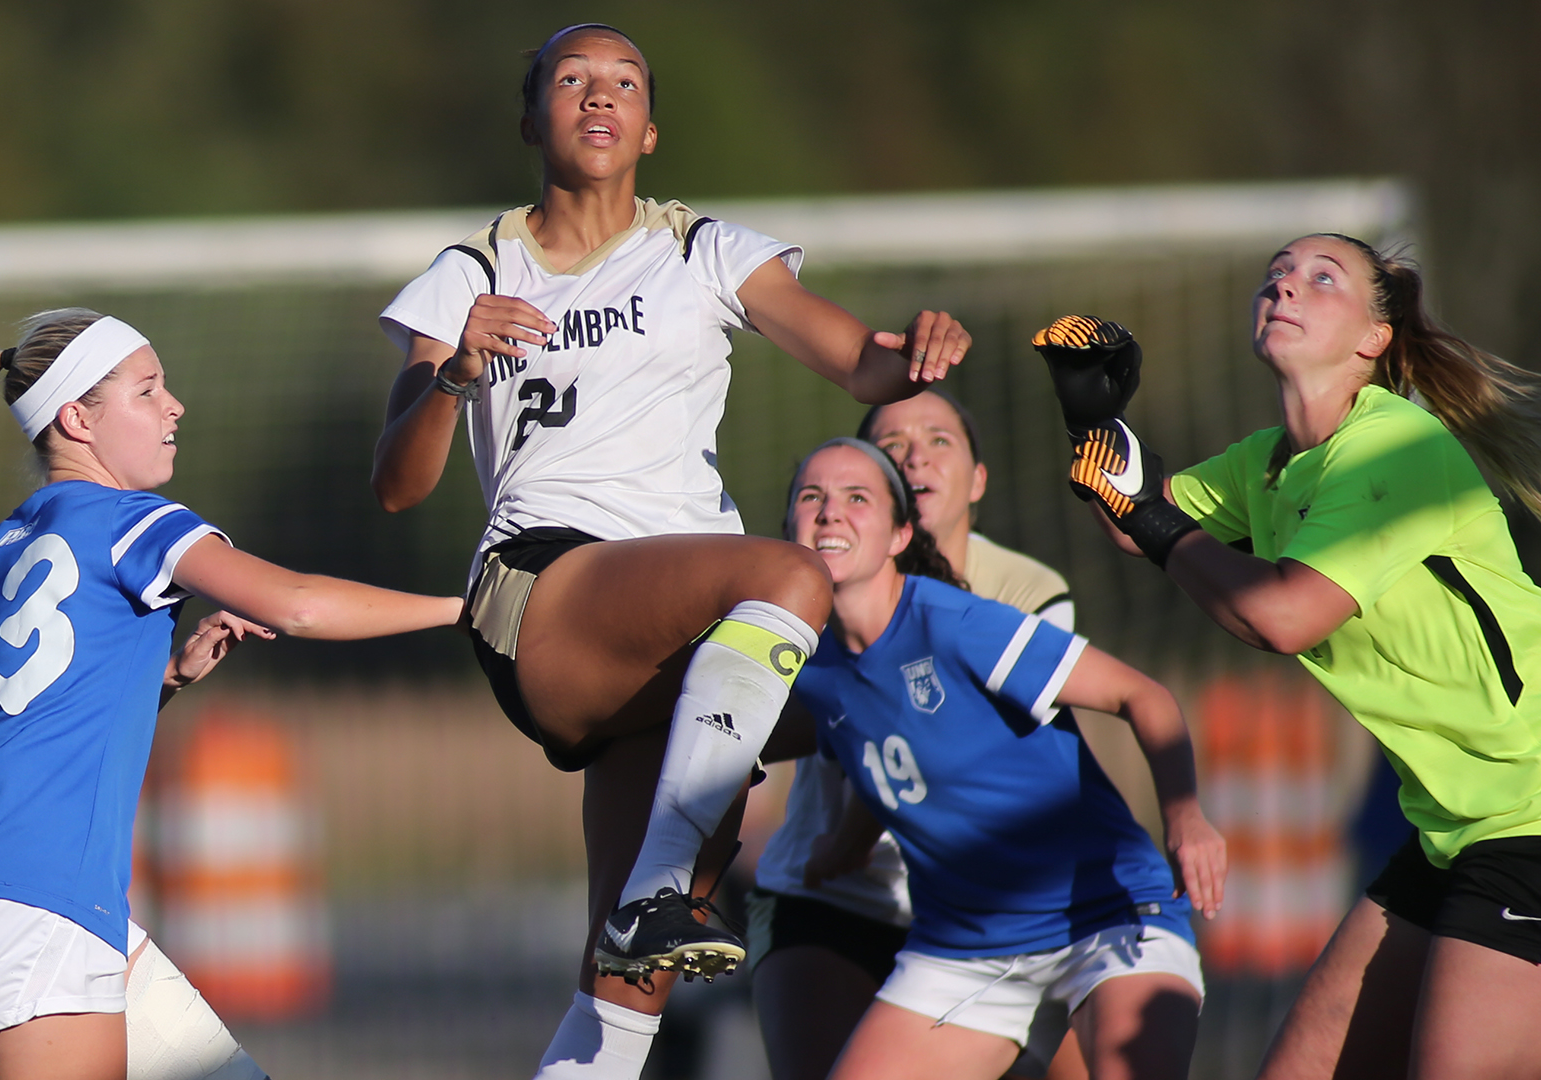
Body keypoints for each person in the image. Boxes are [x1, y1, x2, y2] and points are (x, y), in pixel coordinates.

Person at [369, 23, 969, 1080]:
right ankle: (668, 889)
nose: (600, 96)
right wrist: (458, 371)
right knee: (791, 574)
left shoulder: (703, 249)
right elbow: (397, 483)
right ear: (529, 119)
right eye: (571, 79)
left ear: (650, 129)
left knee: (624, 988)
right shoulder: (473, 270)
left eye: (625, 83)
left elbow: (863, 365)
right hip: (543, 590)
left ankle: (652, 911)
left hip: (691, 642)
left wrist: (919, 354)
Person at [0, 308, 464, 1080]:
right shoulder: (132, 522)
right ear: (77, 419)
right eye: (148, 390)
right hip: (34, 897)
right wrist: (469, 610)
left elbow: (35, 719)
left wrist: (165, 677)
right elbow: (294, 603)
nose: (175, 405)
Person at [1037, 236, 1541, 1080]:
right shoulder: (1269, 462)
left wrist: (1152, 520)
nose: (1284, 286)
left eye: (1320, 279)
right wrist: (1092, 421)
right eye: (1276, 276)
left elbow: (1282, 615)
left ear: (1374, 337)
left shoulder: (1394, 447)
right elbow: (1132, 516)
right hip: (1455, 826)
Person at [782, 437, 1225, 1080]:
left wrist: (1185, 818)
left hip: (1104, 920)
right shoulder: (811, 664)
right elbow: (883, 759)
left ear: (901, 533)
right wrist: (842, 848)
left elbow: (1143, 695)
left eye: (857, 498)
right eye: (810, 497)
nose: (829, 513)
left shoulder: (956, 625)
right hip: (961, 952)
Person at [750, 391, 1086, 1080]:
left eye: (938, 439)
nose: (913, 454)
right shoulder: (803, 590)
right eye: (891, 441)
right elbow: (741, 731)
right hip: (834, 902)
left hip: (989, 912)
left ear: (979, 479)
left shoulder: (1028, 590)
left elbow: (955, 737)